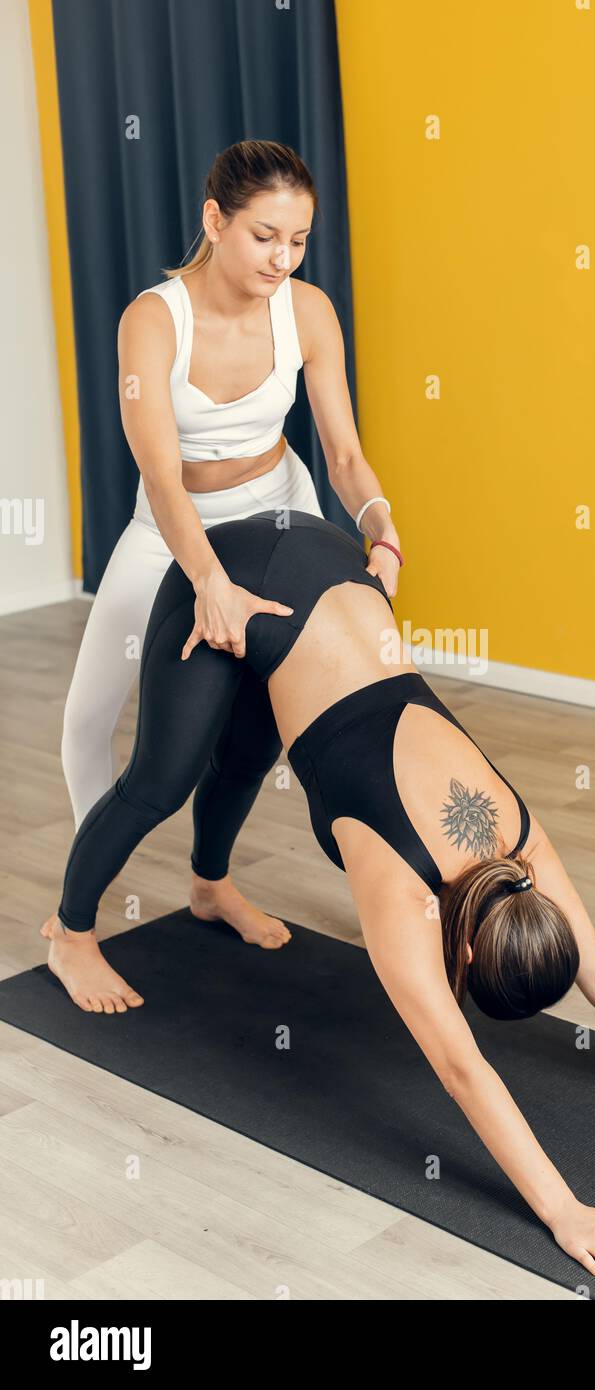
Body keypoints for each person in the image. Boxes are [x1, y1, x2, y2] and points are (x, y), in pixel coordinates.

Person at [41, 509, 595, 1284]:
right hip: (235, 570)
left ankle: (209, 889)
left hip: (325, 564)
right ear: (458, 945)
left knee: (246, 754)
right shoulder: (399, 883)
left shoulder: (522, 850)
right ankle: (69, 934)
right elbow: (460, 1067)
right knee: (160, 781)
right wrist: (563, 1211)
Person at [60, 138, 403, 975]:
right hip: (170, 530)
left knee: (251, 737)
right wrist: (208, 582)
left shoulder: (307, 311)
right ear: (214, 221)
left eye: (298, 241)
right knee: (91, 719)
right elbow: (161, 475)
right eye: (263, 237)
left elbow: (342, 453)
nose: (282, 259)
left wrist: (381, 529)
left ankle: (209, 885)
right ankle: (80, 916)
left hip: (279, 518)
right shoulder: (152, 318)